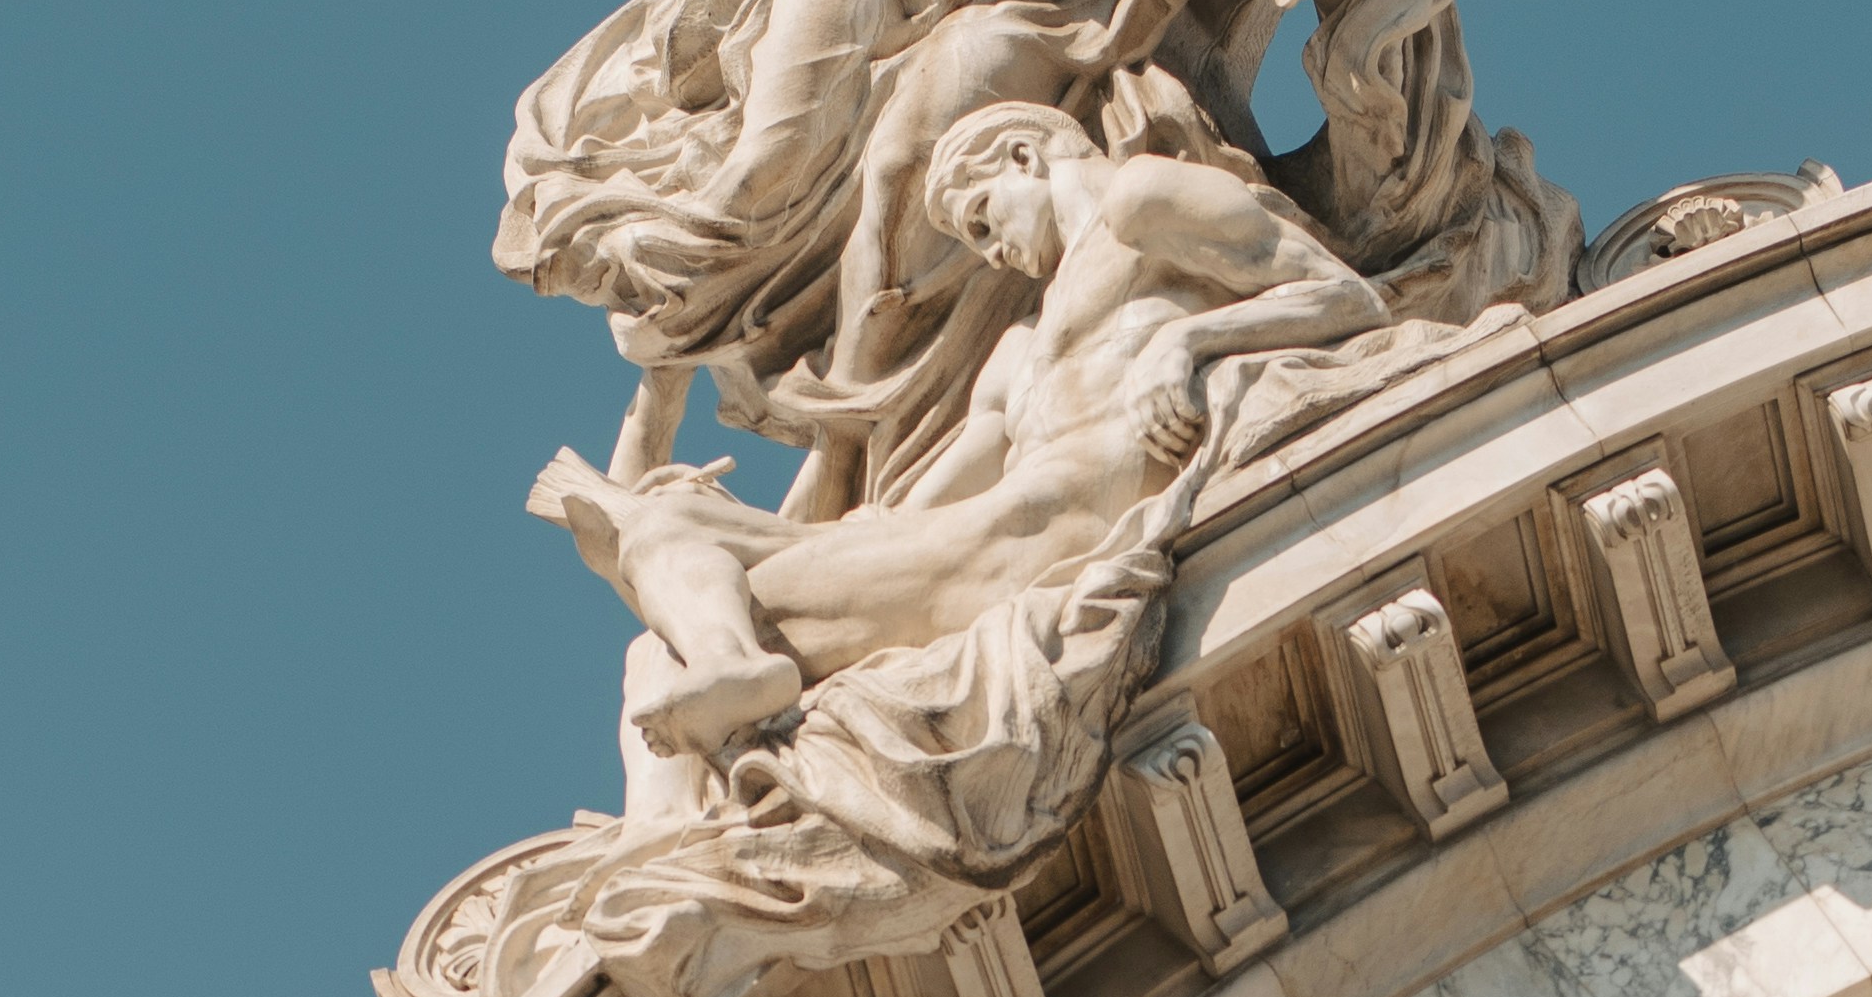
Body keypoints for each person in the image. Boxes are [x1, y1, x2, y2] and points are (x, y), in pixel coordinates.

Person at [531, 102, 1384, 762]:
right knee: (661, 590)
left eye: (984, 219)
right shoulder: (1018, 357)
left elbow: (1349, 299)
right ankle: (726, 685)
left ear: (1026, 157)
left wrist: (1192, 338)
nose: (992, 252)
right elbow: (902, 518)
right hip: (967, 549)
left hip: (1047, 542)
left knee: (675, 595)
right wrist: (673, 463)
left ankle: (733, 669)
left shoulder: (1140, 201)